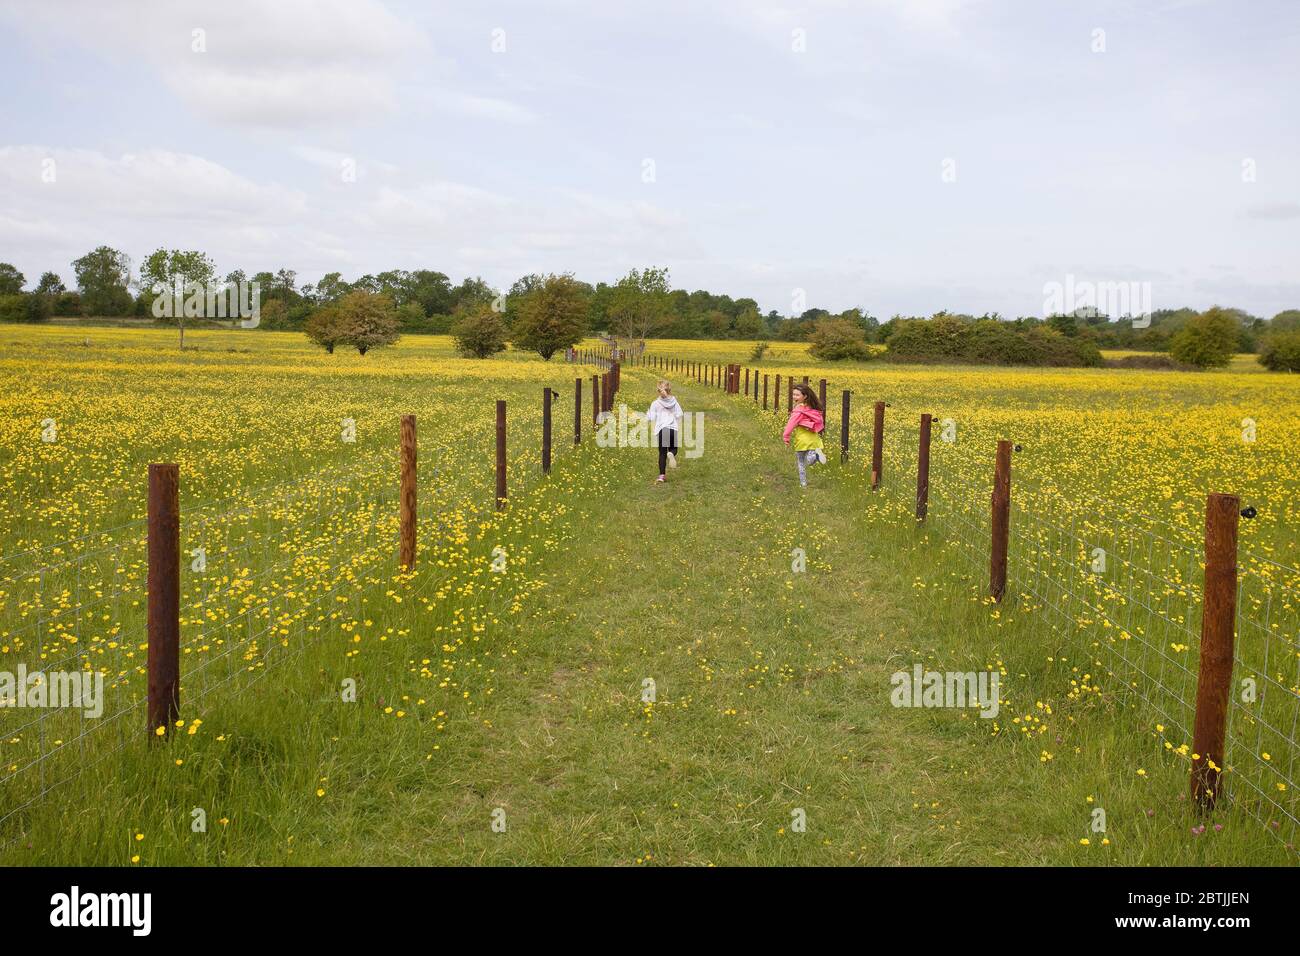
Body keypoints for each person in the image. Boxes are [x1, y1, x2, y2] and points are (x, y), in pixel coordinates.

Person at [783, 384, 826, 488]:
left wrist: (786, 436)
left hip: (802, 440)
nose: (794, 397)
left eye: (797, 395)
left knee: (801, 462)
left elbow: (791, 424)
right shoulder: (813, 408)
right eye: (793, 394)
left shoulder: (798, 410)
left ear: (805, 396)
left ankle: (803, 484)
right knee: (809, 460)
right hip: (814, 439)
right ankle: (816, 455)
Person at [645, 380, 683, 483]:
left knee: (662, 453)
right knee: (674, 449)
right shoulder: (674, 402)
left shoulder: (655, 403)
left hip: (662, 429)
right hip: (672, 429)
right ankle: (671, 453)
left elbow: (651, 417)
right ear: (669, 390)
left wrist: (647, 413)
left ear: (659, 391)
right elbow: (680, 414)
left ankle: (662, 476)